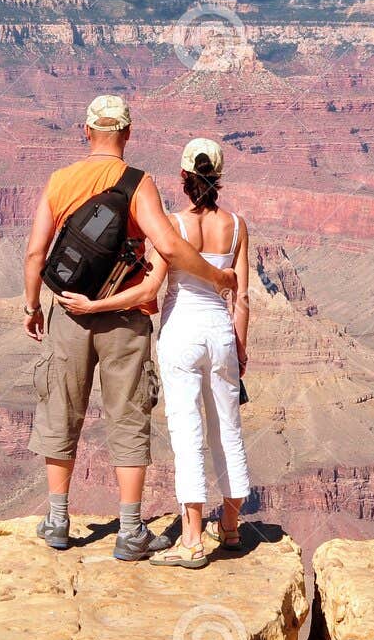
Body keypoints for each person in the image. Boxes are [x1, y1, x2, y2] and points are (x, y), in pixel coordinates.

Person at [23, 97, 240, 561]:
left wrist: (31, 306)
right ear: (127, 133)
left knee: (62, 408)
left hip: (68, 311)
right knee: (127, 416)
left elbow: (35, 253)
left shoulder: (60, 181)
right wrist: (220, 277)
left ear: (86, 132)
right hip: (125, 317)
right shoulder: (139, 184)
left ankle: (58, 521)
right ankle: (129, 530)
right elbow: (169, 246)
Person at [143, 138, 252, 568]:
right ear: (218, 177)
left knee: (187, 430)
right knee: (228, 427)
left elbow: (153, 289)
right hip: (220, 332)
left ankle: (191, 538)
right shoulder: (238, 226)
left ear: (184, 178)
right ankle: (229, 527)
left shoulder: (172, 225)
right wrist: (239, 347)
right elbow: (241, 296)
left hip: (181, 331)